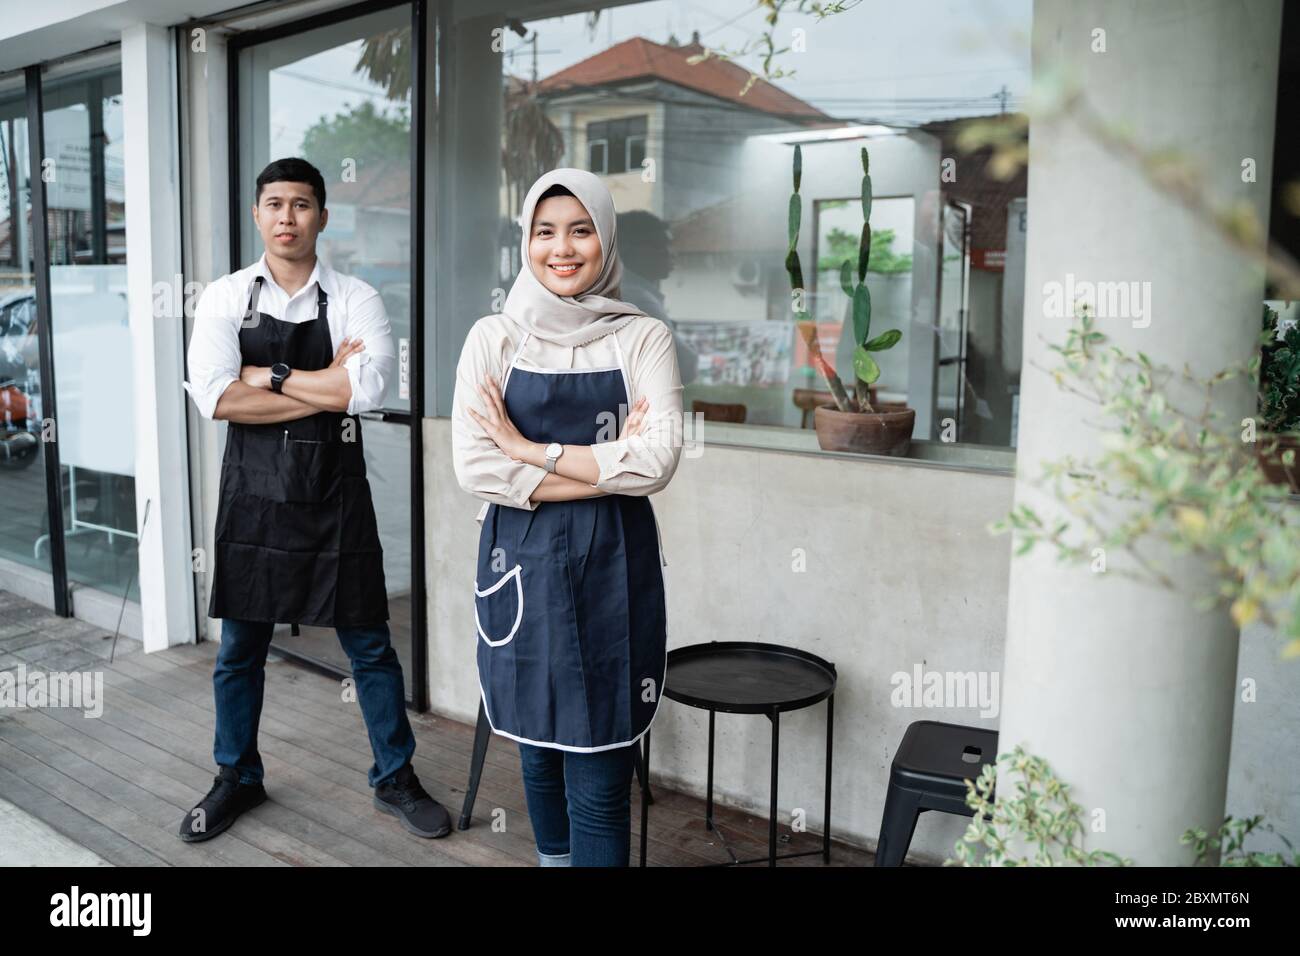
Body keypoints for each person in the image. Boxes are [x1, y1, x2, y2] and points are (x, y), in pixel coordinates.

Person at [180, 157, 451, 843]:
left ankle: (396, 777)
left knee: (371, 645)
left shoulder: (356, 297)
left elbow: (364, 394)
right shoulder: (223, 297)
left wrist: (267, 375)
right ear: (257, 215)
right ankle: (236, 775)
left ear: (322, 217)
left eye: (301, 205)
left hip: (336, 498)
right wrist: (317, 382)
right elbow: (215, 399)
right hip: (256, 500)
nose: (287, 217)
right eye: (274, 204)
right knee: (239, 649)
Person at [452, 168, 684, 867]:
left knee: (600, 770)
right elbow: (476, 471)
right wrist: (603, 464)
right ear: (526, 240)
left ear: (605, 238)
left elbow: (659, 464)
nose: (562, 248)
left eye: (581, 230)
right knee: (534, 745)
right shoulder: (493, 338)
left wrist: (530, 450)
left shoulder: (642, 338)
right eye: (545, 231)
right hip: (516, 564)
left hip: (613, 565)